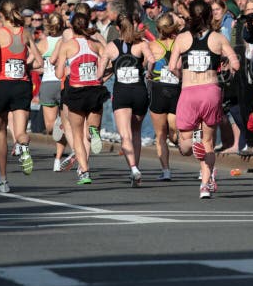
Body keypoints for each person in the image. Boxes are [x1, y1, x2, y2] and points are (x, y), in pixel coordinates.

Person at [169, 0, 239, 199]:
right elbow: (236, 63)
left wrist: (183, 77)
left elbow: (172, 65)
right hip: (211, 91)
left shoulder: (182, 38)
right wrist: (227, 72)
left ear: (190, 16)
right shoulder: (217, 38)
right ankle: (205, 186)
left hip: (189, 92)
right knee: (208, 141)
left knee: (185, 142)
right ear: (210, 16)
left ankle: (191, 144)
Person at [0, 1, 43, 192]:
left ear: (1, 16)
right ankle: (23, 147)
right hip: (22, 85)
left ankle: (3, 179)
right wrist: (24, 65)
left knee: (0, 130)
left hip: (1, 84)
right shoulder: (25, 33)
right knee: (21, 132)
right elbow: (40, 61)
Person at [54, 12, 109, 185]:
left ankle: (84, 172)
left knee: (77, 135)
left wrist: (68, 70)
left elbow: (59, 73)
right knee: (90, 130)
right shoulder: (96, 44)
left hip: (76, 92)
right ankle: (94, 132)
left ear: (71, 26)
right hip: (94, 90)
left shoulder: (67, 45)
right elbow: (109, 61)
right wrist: (99, 74)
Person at [104, 13, 155, 186]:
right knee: (136, 133)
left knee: (125, 135)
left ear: (117, 28)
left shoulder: (111, 46)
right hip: (140, 92)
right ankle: (135, 169)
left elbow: (99, 71)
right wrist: (148, 72)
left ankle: (133, 169)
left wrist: (104, 75)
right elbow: (152, 60)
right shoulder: (141, 44)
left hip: (122, 94)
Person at [148, 13, 182, 181]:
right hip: (176, 90)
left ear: (158, 29)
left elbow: (147, 65)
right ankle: (183, 143)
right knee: (174, 131)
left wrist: (148, 73)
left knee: (160, 135)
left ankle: (166, 171)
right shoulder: (180, 43)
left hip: (158, 90)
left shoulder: (153, 45)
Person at [36, 13, 65, 171]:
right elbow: (33, 61)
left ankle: (58, 158)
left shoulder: (66, 39)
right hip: (48, 81)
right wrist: (41, 67)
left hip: (63, 83)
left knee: (58, 125)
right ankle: (64, 129)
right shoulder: (43, 43)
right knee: (50, 126)